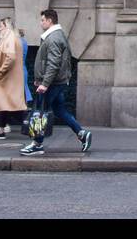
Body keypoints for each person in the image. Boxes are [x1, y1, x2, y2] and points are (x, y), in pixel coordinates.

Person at [20, 9, 91, 156]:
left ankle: (37, 144)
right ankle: (82, 133)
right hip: (56, 82)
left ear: (49, 21)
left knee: (40, 112)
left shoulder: (53, 38)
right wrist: (40, 80)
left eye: (42, 20)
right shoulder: (55, 36)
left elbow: (53, 63)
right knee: (60, 110)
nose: (41, 23)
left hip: (53, 83)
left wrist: (44, 83)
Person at [0, 18, 26, 139]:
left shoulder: (9, 38)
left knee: (13, 106)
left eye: (1, 26)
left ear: (7, 27)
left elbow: (10, 57)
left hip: (6, 79)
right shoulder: (10, 37)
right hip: (8, 80)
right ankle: (0, 130)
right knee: (4, 105)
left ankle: (32, 126)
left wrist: (0, 72)